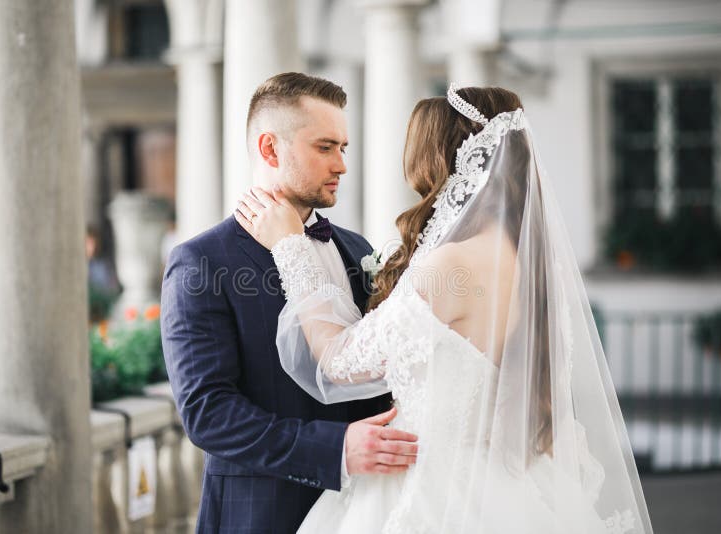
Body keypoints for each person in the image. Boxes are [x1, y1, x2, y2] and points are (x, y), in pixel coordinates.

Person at [236, 85, 654, 533]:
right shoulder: (529, 261)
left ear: (440, 161)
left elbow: (340, 361)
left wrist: (291, 249)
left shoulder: (452, 263)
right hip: (510, 486)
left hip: (432, 491)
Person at [160, 72, 415, 533]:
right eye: (325, 147)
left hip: (367, 512)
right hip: (261, 515)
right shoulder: (201, 262)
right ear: (270, 149)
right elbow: (207, 413)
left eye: (344, 148)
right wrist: (333, 449)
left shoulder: (356, 249)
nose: (340, 165)